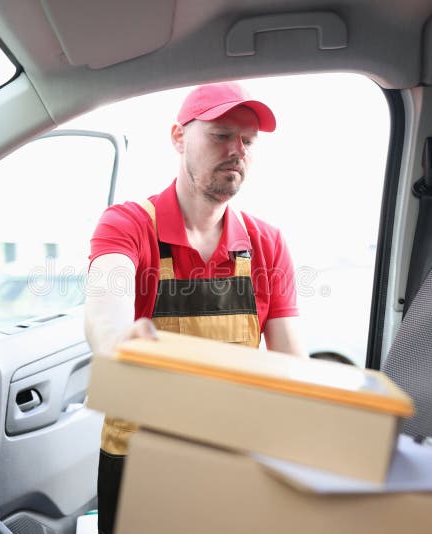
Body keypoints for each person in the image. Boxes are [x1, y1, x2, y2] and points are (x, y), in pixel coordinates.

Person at [84, 81, 304, 534]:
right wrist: (117, 341)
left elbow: (290, 364)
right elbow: (106, 317)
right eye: (221, 134)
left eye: (247, 141)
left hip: (231, 460)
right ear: (179, 137)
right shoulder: (127, 225)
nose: (237, 150)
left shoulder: (267, 243)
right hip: (140, 464)